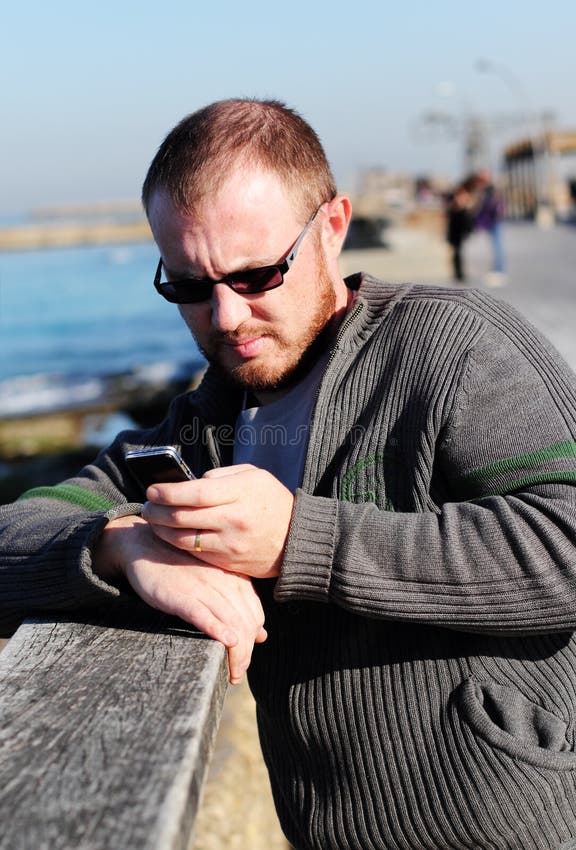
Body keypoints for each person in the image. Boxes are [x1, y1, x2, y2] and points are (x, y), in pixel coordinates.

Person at [2, 98, 576, 850]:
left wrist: (298, 541)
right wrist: (121, 546)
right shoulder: (203, 426)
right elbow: (16, 535)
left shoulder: (454, 348)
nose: (227, 317)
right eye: (187, 287)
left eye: (256, 274)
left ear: (332, 226)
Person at [473, 168, 507, 286]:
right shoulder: (488, 189)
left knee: (497, 246)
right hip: (493, 221)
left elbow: (488, 206)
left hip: (494, 221)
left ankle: (499, 270)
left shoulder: (490, 190)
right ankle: (498, 269)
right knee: (496, 246)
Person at [445, 183, 473, 282]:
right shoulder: (453, 207)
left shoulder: (465, 208)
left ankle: (460, 274)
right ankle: (457, 274)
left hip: (461, 233)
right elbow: (448, 218)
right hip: (454, 232)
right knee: (455, 254)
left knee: (459, 253)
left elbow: (468, 222)